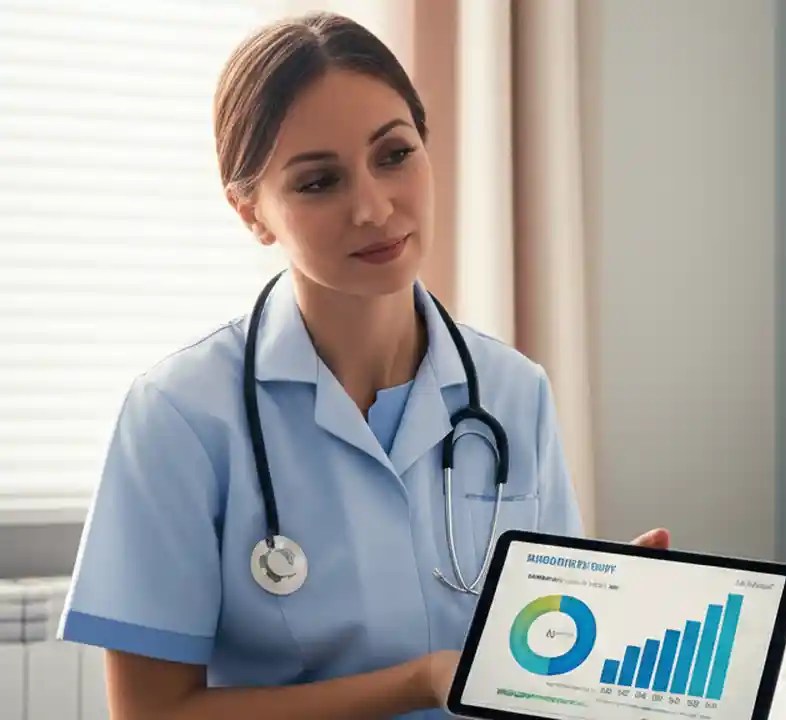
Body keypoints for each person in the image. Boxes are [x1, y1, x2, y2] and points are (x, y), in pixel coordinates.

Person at [56, 12, 666, 719]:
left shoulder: (512, 393)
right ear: (251, 212)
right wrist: (422, 681)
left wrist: (606, 621)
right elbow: (152, 714)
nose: (375, 208)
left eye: (395, 154)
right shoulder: (180, 415)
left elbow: (535, 674)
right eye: (319, 182)